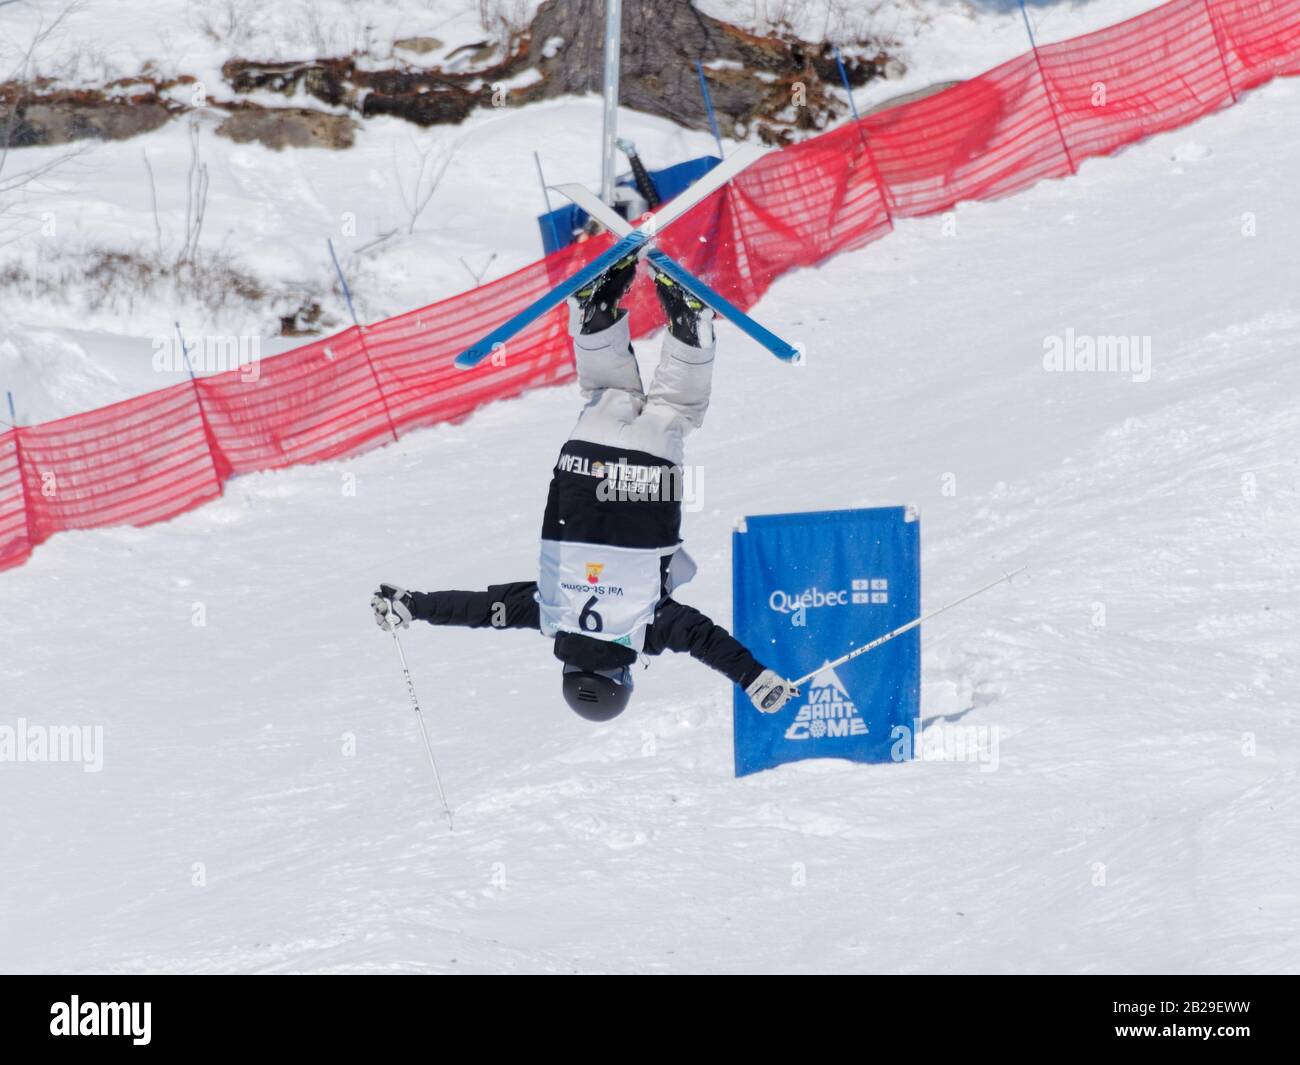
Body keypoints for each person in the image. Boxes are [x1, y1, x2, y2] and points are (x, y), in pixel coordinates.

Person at [371, 256, 797, 722]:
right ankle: (596, 316)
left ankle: (689, 321)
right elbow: (480, 609)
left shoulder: (641, 632)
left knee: (676, 407)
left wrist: (753, 677)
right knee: (608, 393)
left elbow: (702, 639)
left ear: (622, 678)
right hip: (582, 459)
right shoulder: (550, 615)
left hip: (646, 472)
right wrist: (414, 606)